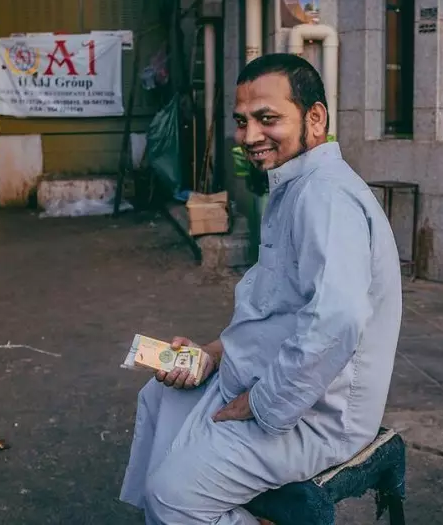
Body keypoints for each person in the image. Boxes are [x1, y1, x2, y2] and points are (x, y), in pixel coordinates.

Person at [119, 53, 403, 525]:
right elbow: (280, 313)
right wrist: (212, 352)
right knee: (161, 397)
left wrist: (262, 402)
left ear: (315, 118)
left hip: (316, 414)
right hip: (272, 379)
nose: (250, 136)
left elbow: (337, 320)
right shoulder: (295, 186)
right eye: (242, 121)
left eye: (267, 119)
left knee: (172, 495)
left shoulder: (324, 196)